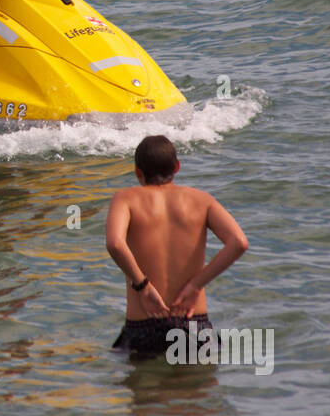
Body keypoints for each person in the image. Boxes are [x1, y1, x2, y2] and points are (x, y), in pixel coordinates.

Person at [105, 135, 249, 359]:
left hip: (144, 324)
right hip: (193, 322)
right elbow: (239, 242)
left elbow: (115, 244)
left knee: (146, 391)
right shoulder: (202, 200)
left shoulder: (125, 199)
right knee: (193, 390)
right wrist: (195, 285)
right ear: (177, 166)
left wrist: (142, 286)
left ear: (137, 172)